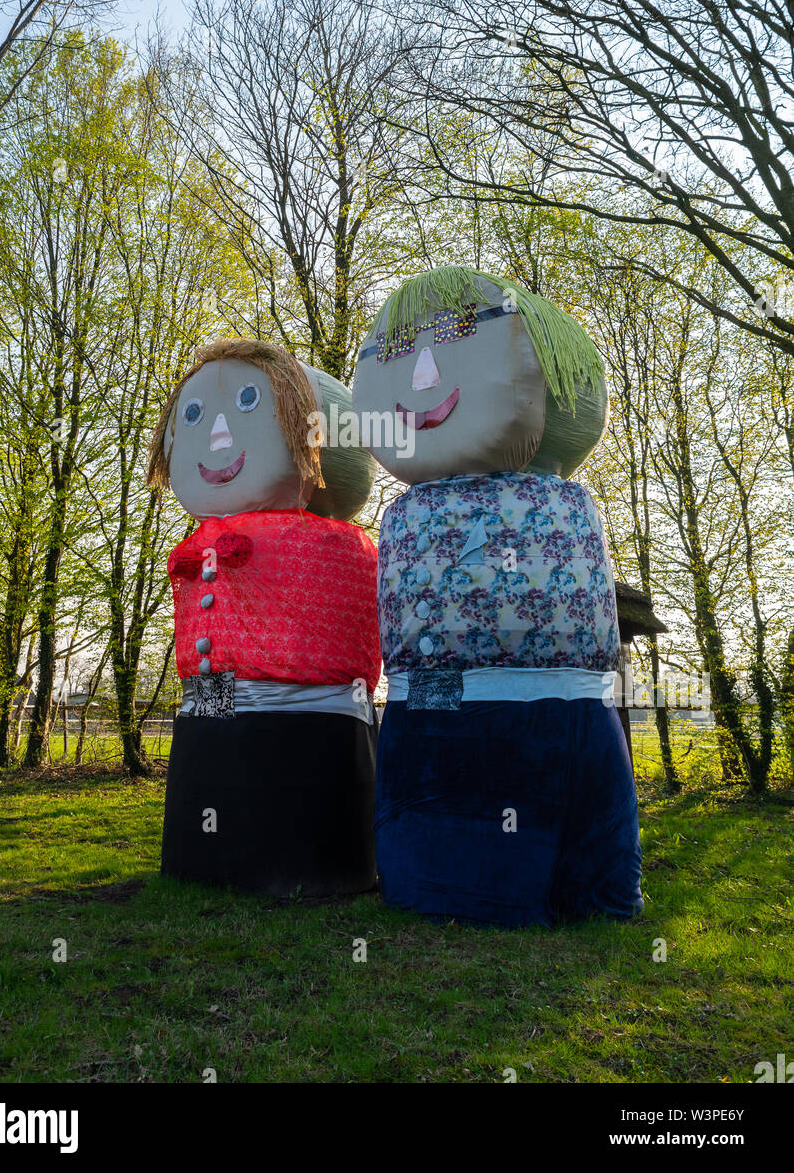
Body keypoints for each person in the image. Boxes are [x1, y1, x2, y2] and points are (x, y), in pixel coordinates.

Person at [353, 266, 643, 926]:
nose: (423, 378)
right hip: (431, 711)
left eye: (456, 342)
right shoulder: (403, 514)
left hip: (553, 708)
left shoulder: (562, 501)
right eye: (398, 358)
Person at [149, 338, 380, 898]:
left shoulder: (339, 544)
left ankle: (284, 867)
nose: (219, 436)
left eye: (250, 402)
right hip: (214, 718)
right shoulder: (203, 537)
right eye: (196, 416)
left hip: (301, 730)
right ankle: (211, 860)